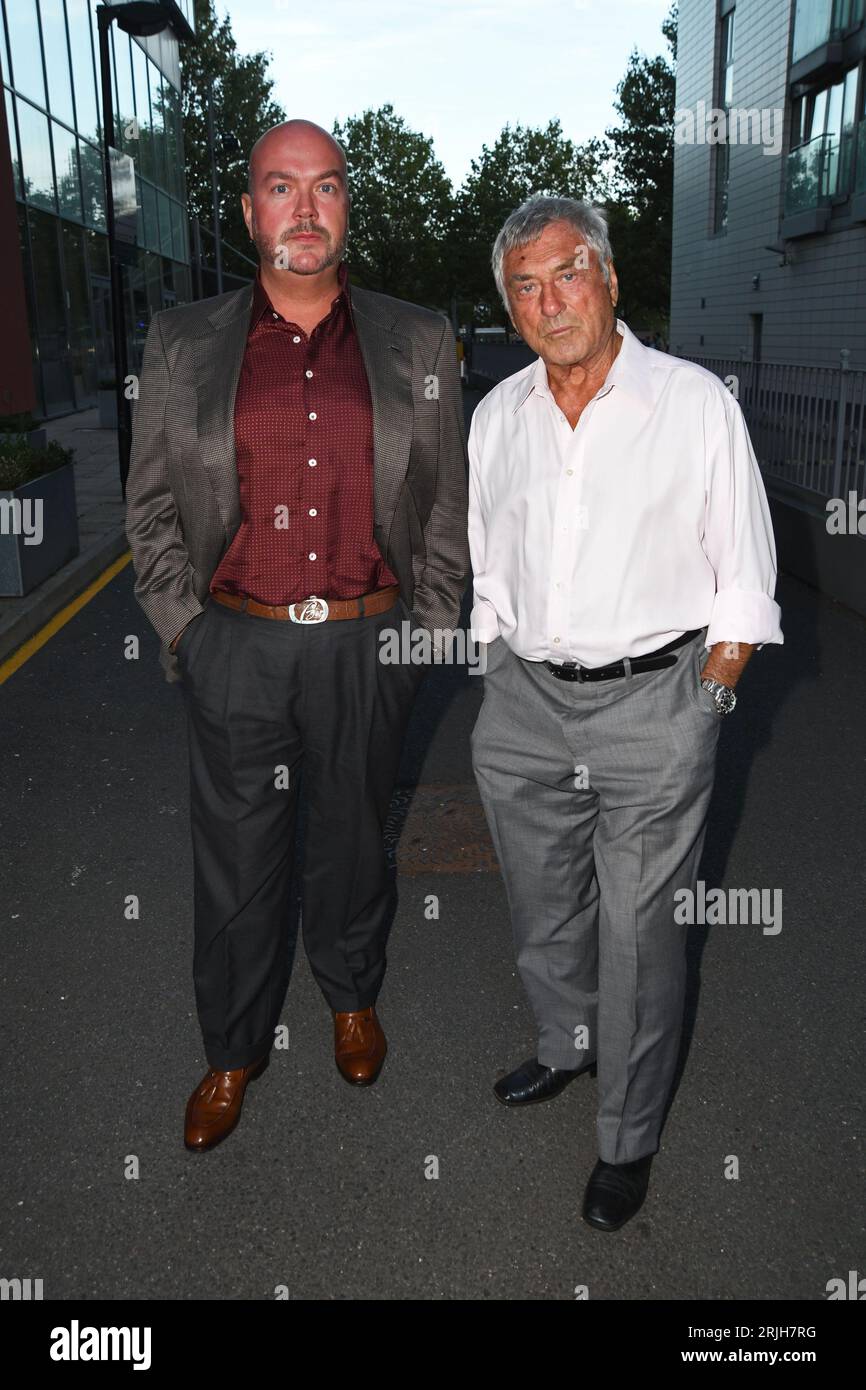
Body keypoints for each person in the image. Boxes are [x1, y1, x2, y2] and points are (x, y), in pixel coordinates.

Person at [125, 120, 469, 1152]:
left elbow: (447, 507)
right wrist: (186, 632)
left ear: (345, 207)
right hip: (237, 642)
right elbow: (149, 510)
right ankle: (230, 1050)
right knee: (235, 858)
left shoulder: (420, 340)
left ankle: (350, 993)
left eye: (324, 188)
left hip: (370, 644)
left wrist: (426, 632)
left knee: (354, 840)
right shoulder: (182, 343)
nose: (304, 209)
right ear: (248, 212)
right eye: (281, 188)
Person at [467, 194, 782, 1230]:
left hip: (655, 705)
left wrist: (707, 700)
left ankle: (626, 1135)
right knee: (539, 909)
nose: (548, 301)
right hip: (521, 705)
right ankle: (563, 1048)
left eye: (565, 273)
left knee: (640, 936)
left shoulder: (693, 403)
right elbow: (486, 556)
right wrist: (490, 657)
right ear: (508, 305)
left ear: (606, 277)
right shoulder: (495, 415)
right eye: (523, 285)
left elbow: (743, 573)